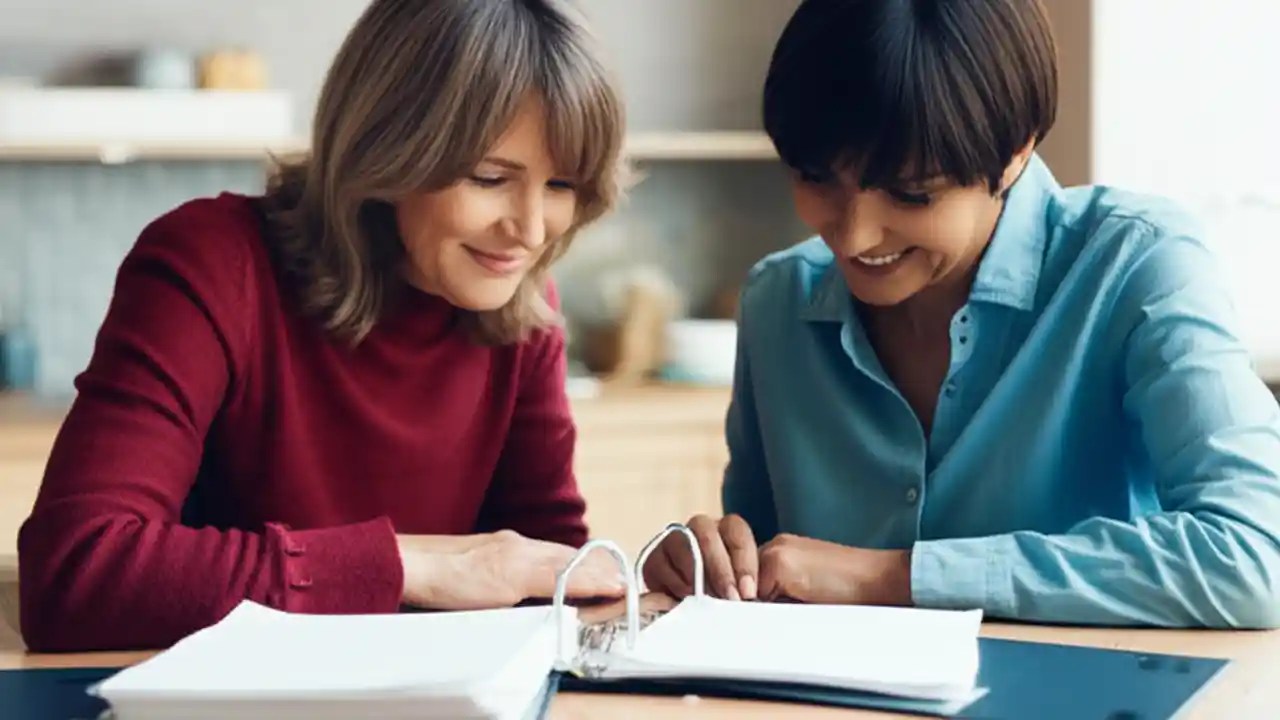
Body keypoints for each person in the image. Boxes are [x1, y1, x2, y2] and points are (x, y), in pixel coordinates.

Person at [644, 0, 1280, 628]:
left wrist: (894, 576)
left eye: (911, 193)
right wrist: (710, 562)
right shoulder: (776, 300)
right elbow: (763, 568)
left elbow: (1255, 557)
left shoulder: (1137, 264)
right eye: (816, 178)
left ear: (1015, 153)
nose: (856, 237)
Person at [19, 0, 631, 652]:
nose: (531, 231)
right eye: (489, 178)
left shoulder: (523, 308)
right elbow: (75, 574)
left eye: (562, 183)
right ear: (390, 146)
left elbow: (546, 573)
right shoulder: (213, 264)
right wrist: (413, 568)